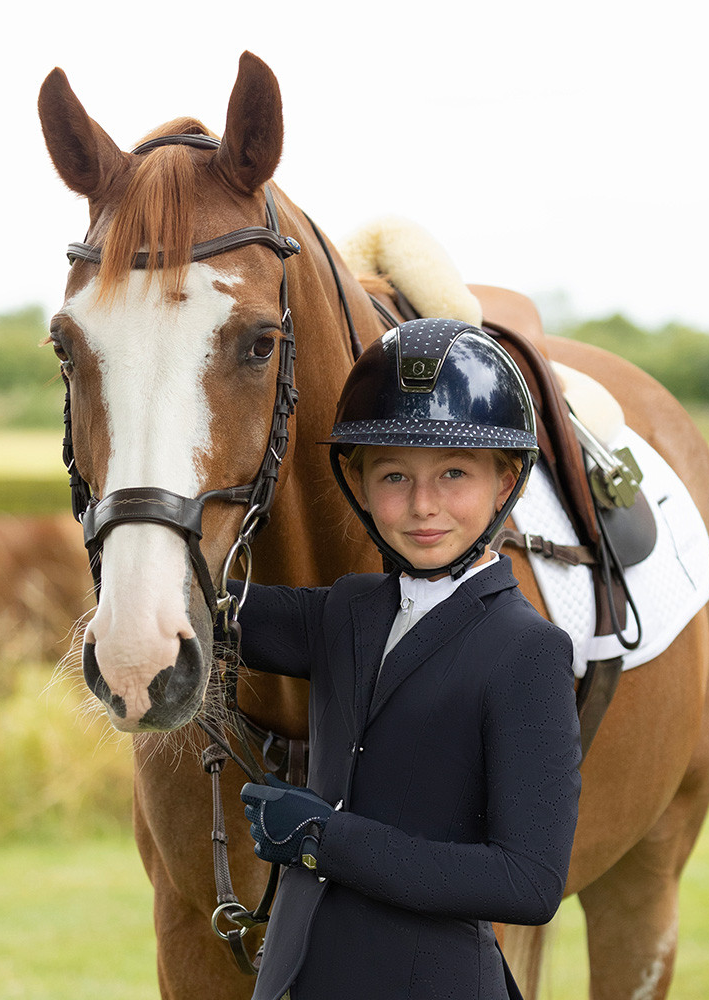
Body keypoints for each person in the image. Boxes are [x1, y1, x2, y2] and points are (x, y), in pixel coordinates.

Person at [235, 317, 582, 1000]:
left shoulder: (529, 653)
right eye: (395, 475)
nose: (423, 506)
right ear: (360, 485)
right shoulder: (344, 611)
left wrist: (323, 838)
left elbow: (529, 882)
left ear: (505, 480)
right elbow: (203, 605)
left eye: (453, 473)